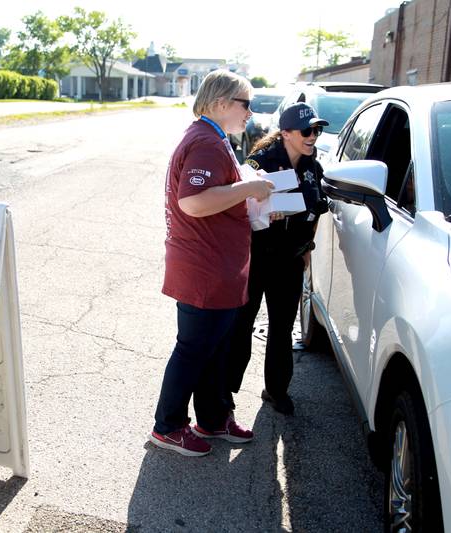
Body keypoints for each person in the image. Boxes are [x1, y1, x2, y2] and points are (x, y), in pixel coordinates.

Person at [149, 70, 275, 457]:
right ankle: (168, 426)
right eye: (245, 104)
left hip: (217, 267)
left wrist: (249, 193)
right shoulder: (205, 142)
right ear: (221, 103)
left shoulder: (213, 138)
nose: (250, 114)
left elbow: (214, 196)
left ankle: (211, 418)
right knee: (193, 349)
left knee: (215, 348)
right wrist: (248, 188)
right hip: (204, 268)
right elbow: (194, 201)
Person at [226, 102, 330, 416]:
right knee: (242, 323)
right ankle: (225, 392)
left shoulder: (313, 166)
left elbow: (316, 208)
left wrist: (308, 248)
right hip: (257, 255)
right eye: (307, 131)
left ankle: (276, 390)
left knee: (282, 328)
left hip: (290, 259)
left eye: (317, 130)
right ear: (285, 133)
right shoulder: (260, 162)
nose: (313, 136)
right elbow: (236, 206)